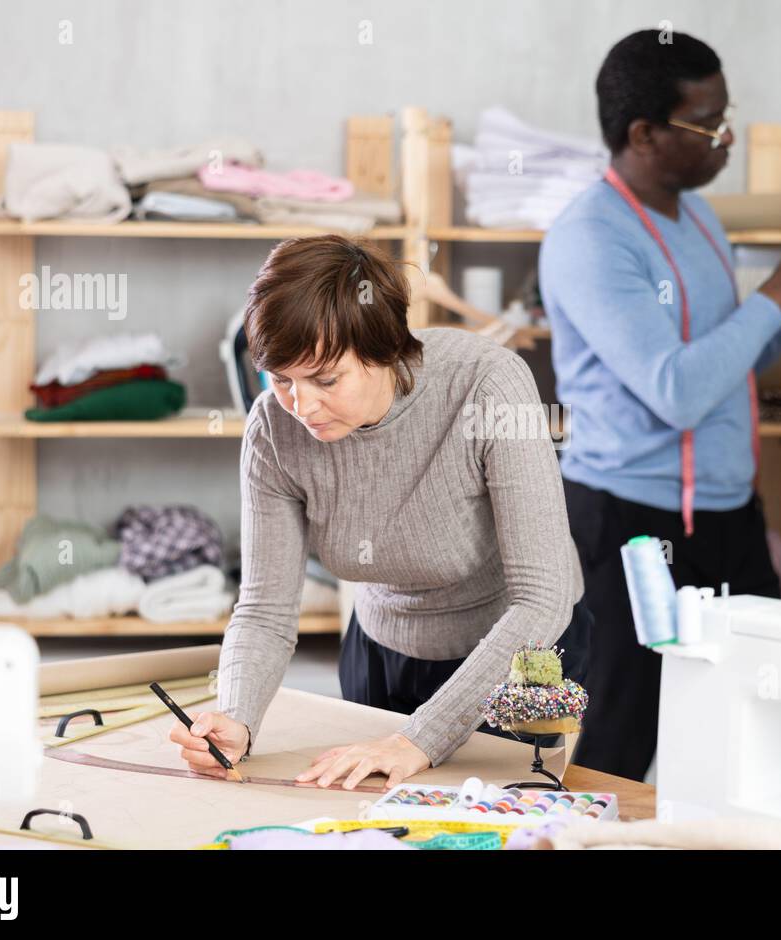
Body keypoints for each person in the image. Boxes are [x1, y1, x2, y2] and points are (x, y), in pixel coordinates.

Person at [539, 28, 781, 781]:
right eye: (706, 122)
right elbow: (676, 390)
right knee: (619, 734)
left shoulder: (698, 218)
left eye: (726, 113)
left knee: (760, 714)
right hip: (627, 523)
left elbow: (733, 365)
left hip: (724, 515)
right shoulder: (590, 237)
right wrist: (778, 287)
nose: (727, 136)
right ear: (644, 134)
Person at [170, 235, 589, 790]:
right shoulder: (274, 427)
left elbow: (543, 596)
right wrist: (237, 717)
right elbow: (266, 608)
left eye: (326, 379)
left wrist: (421, 738)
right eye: (281, 379)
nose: (302, 407)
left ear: (387, 348)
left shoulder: (487, 384)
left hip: (520, 657)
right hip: (381, 653)